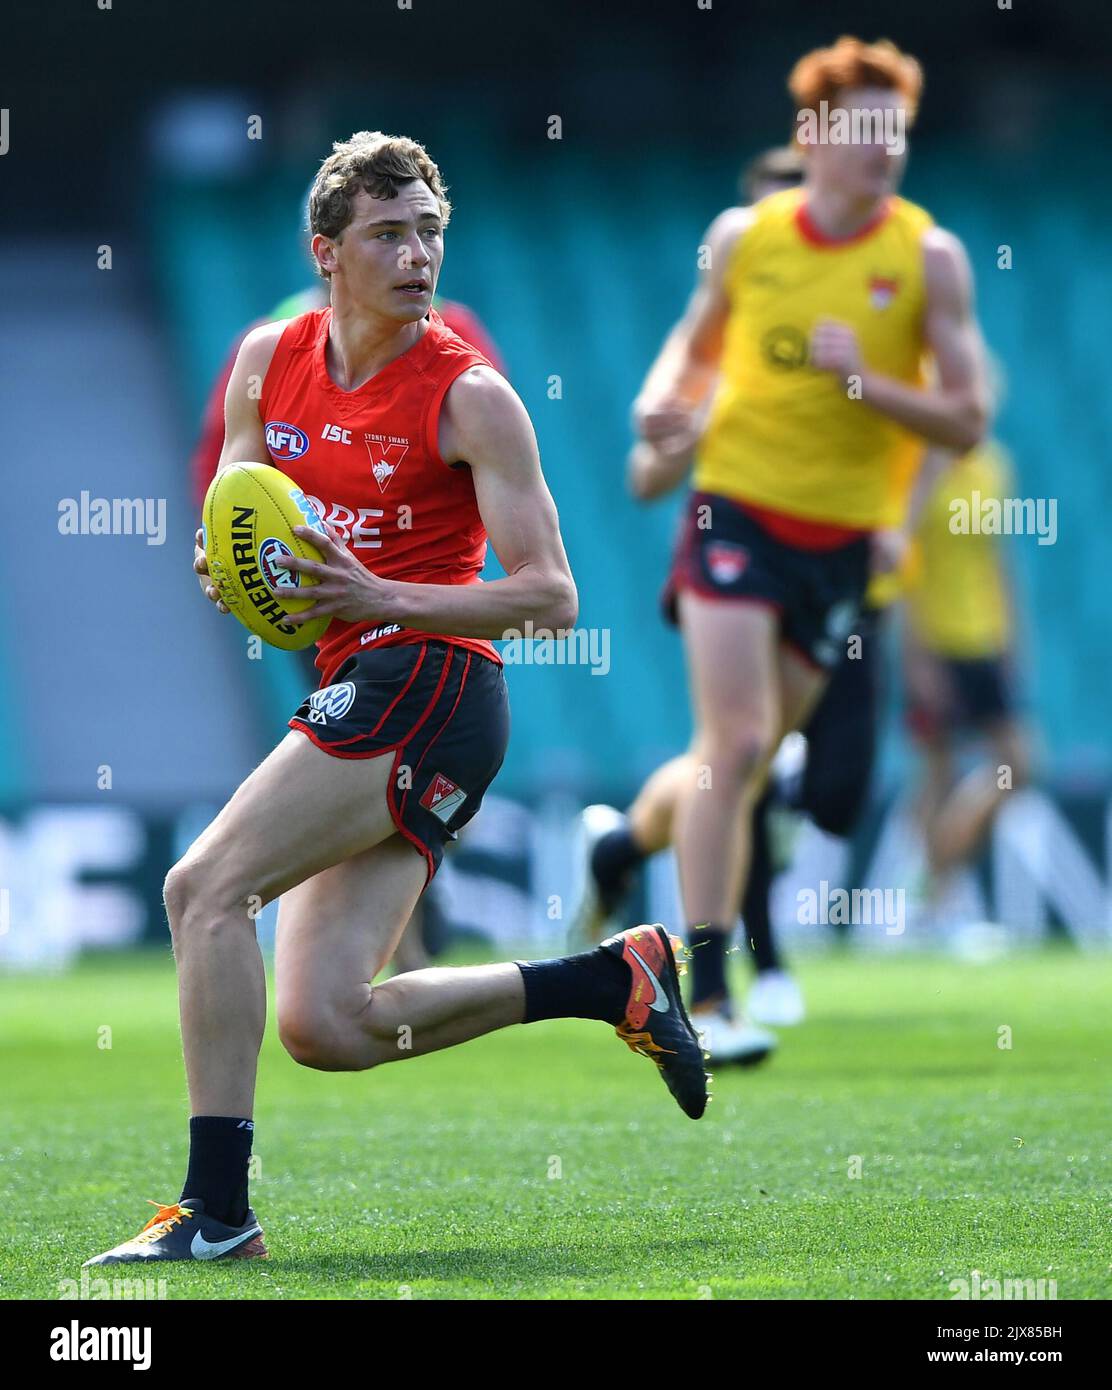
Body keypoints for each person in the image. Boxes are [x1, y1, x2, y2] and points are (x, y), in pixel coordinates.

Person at [86, 131, 707, 1268]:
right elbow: (237, 517)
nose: (416, 254)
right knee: (325, 1023)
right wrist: (228, 566)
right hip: (359, 679)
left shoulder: (472, 397)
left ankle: (214, 1211)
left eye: (428, 231)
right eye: (387, 233)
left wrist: (377, 590)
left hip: (428, 679)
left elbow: (551, 597)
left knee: (201, 888)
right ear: (327, 250)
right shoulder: (265, 363)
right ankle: (607, 977)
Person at [578, 37, 989, 1067]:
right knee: (739, 736)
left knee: (741, 758)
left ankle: (619, 845)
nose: (881, 152)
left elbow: (966, 417)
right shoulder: (745, 238)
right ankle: (703, 996)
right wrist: (664, 401)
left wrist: (869, 385)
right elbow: (693, 340)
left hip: (842, 548)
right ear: (809, 137)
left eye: (893, 133)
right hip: (734, 514)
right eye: (860, 131)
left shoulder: (924, 257)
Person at [902, 439, 1030, 910]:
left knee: (1018, 764)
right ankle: (934, 903)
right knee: (937, 772)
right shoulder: (917, 469)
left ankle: (937, 874)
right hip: (936, 642)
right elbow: (903, 564)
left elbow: (998, 559)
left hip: (983, 641)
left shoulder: (993, 465)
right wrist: (915, 656)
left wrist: (1012, 638)